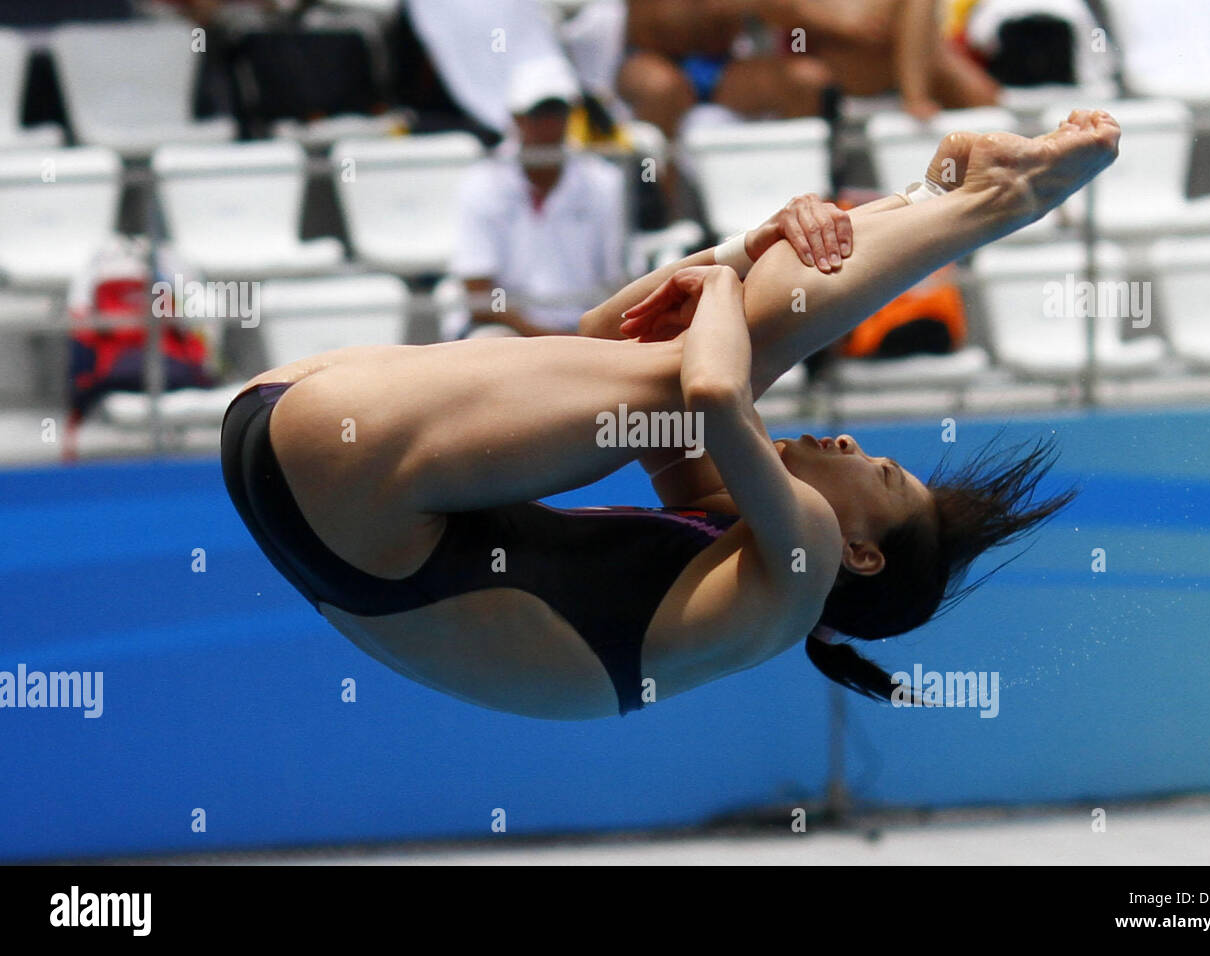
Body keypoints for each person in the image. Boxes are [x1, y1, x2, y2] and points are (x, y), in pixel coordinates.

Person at [221, 110, 1120, 719]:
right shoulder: (742, 547)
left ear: (859, 551)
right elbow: (603, 334)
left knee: (716, 359)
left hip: (351, 496)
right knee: (695, 355)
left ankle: (989, 200)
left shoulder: (798, 566)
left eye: (878, 470)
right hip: (307, 462)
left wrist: (734, 269)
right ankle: (942, 200)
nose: (850, 440)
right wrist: (745, 245)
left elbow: (714, 391)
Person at [451, 57, 627, 337]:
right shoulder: (481, 182)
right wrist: (546, 339)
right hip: (510, 332)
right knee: (492, 343)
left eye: (557, 112)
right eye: (538, 114)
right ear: (516, 119)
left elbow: (617, 283)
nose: (549, 125)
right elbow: (479, 293)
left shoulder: (605, 183)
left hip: (582, 331)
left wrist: (588, 336)